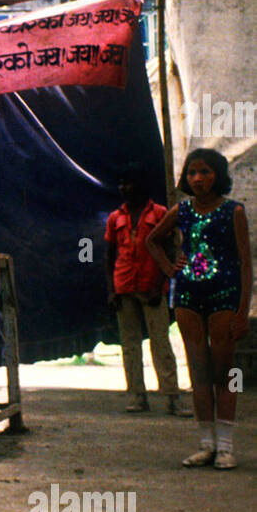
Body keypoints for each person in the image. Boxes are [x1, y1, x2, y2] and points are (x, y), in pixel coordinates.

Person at [146, 149, 251, 469]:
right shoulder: (181, 211)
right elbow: (152, 240)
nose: (198, 178)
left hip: (225, 295)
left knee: (226, 371)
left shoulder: (234, 212)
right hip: (187, 296)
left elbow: (246, 264)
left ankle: (226, 446)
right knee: (199, 372)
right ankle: (206, 445)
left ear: (218, 175)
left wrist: (243, 310)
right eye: (192, 173)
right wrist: (168, 267)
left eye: (205, 172)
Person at [104, 163, 186, 414]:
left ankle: (172, 397)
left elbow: (171, 251)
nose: (123, 188)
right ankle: (138, 397)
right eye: (120, 183)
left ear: (141, 185)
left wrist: (162, 284)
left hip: (153, 288)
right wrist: (111, 291)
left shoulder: (161, 213)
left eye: (128, 183)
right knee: (129, 345)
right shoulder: (115, 217)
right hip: (124, 287)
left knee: (160, 343)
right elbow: (108, 257)